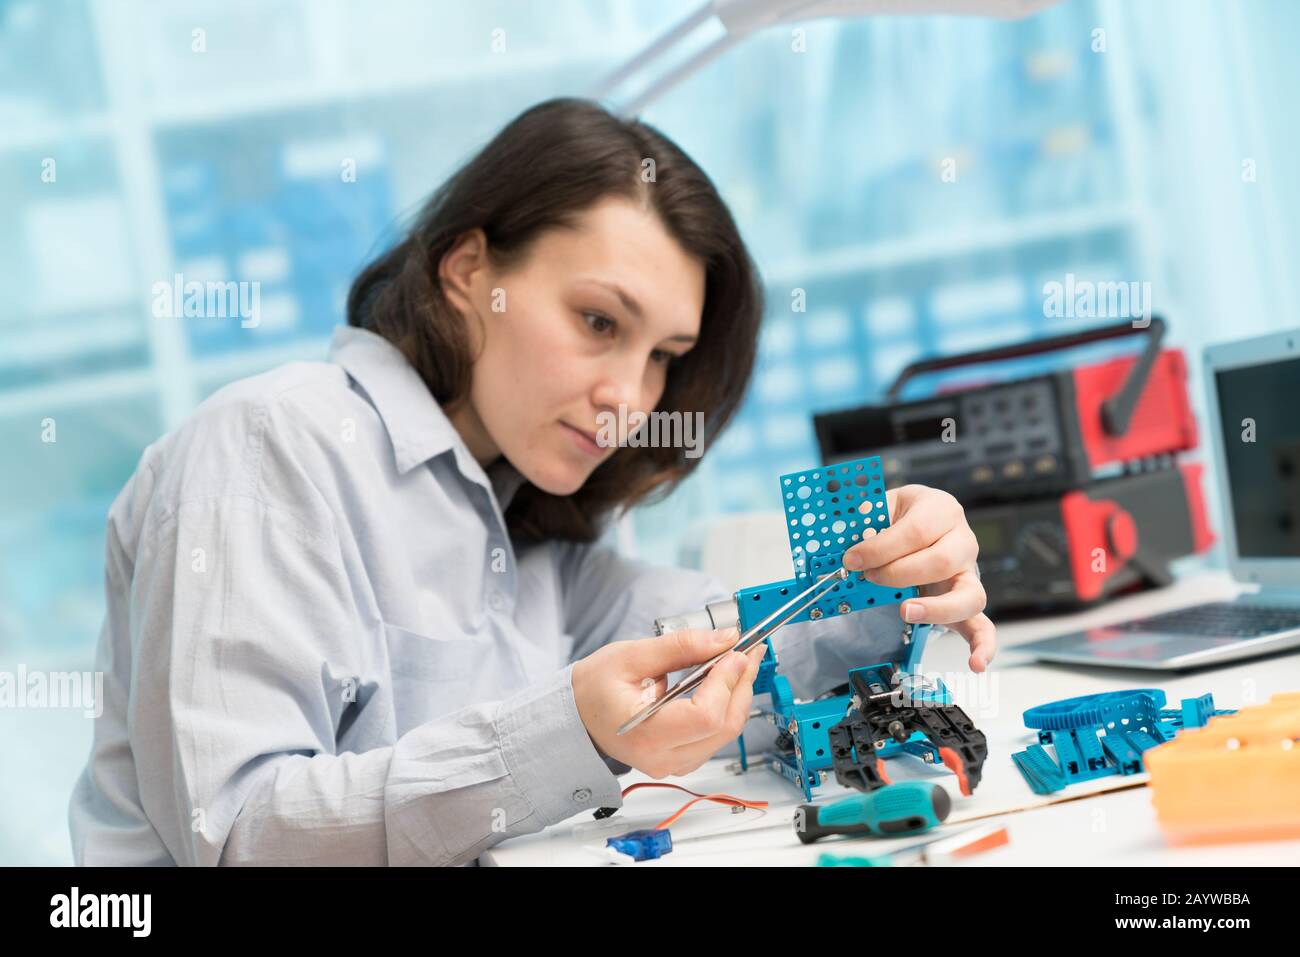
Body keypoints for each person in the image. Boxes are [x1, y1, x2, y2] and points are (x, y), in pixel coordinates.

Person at [69, 98, 994, 866]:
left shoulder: (530, 517)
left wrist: (892, 582)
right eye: (598, 321)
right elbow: (239, 833)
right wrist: (570, 733)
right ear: (467, 269)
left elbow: (741, 650)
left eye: (664, 356)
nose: (629, 398)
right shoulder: (264, 448)